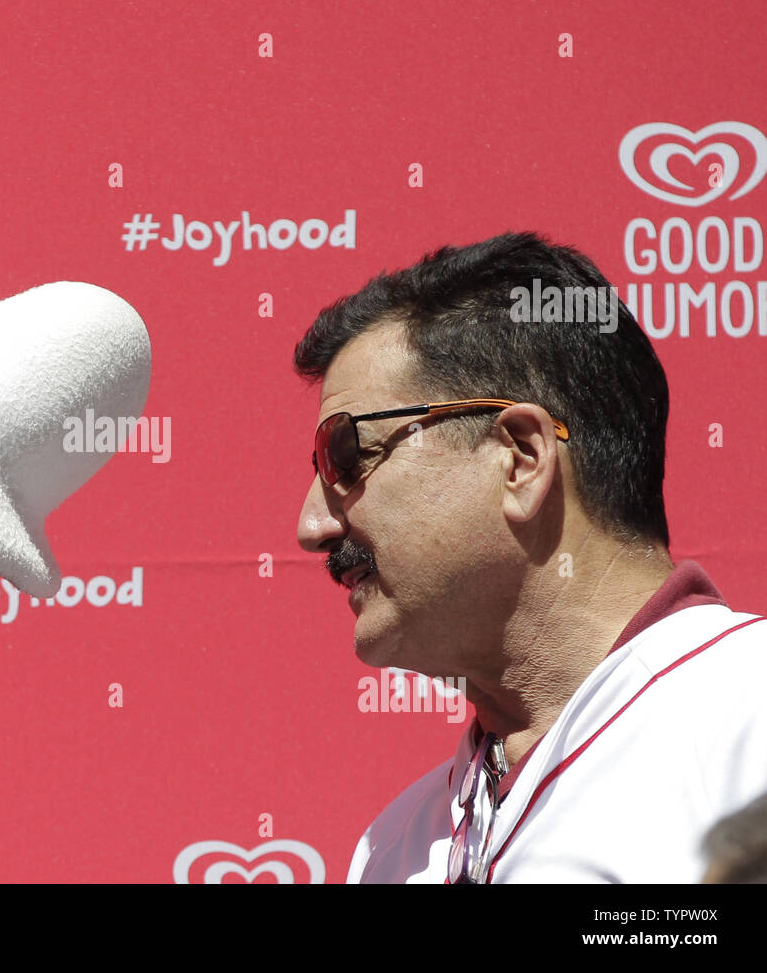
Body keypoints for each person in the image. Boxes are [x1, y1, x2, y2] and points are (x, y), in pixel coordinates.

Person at [293, 232, 767, 883]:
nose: (312, 526)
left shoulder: (749, 709)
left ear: (520, 458)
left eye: (346, 455)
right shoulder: (393, 846)